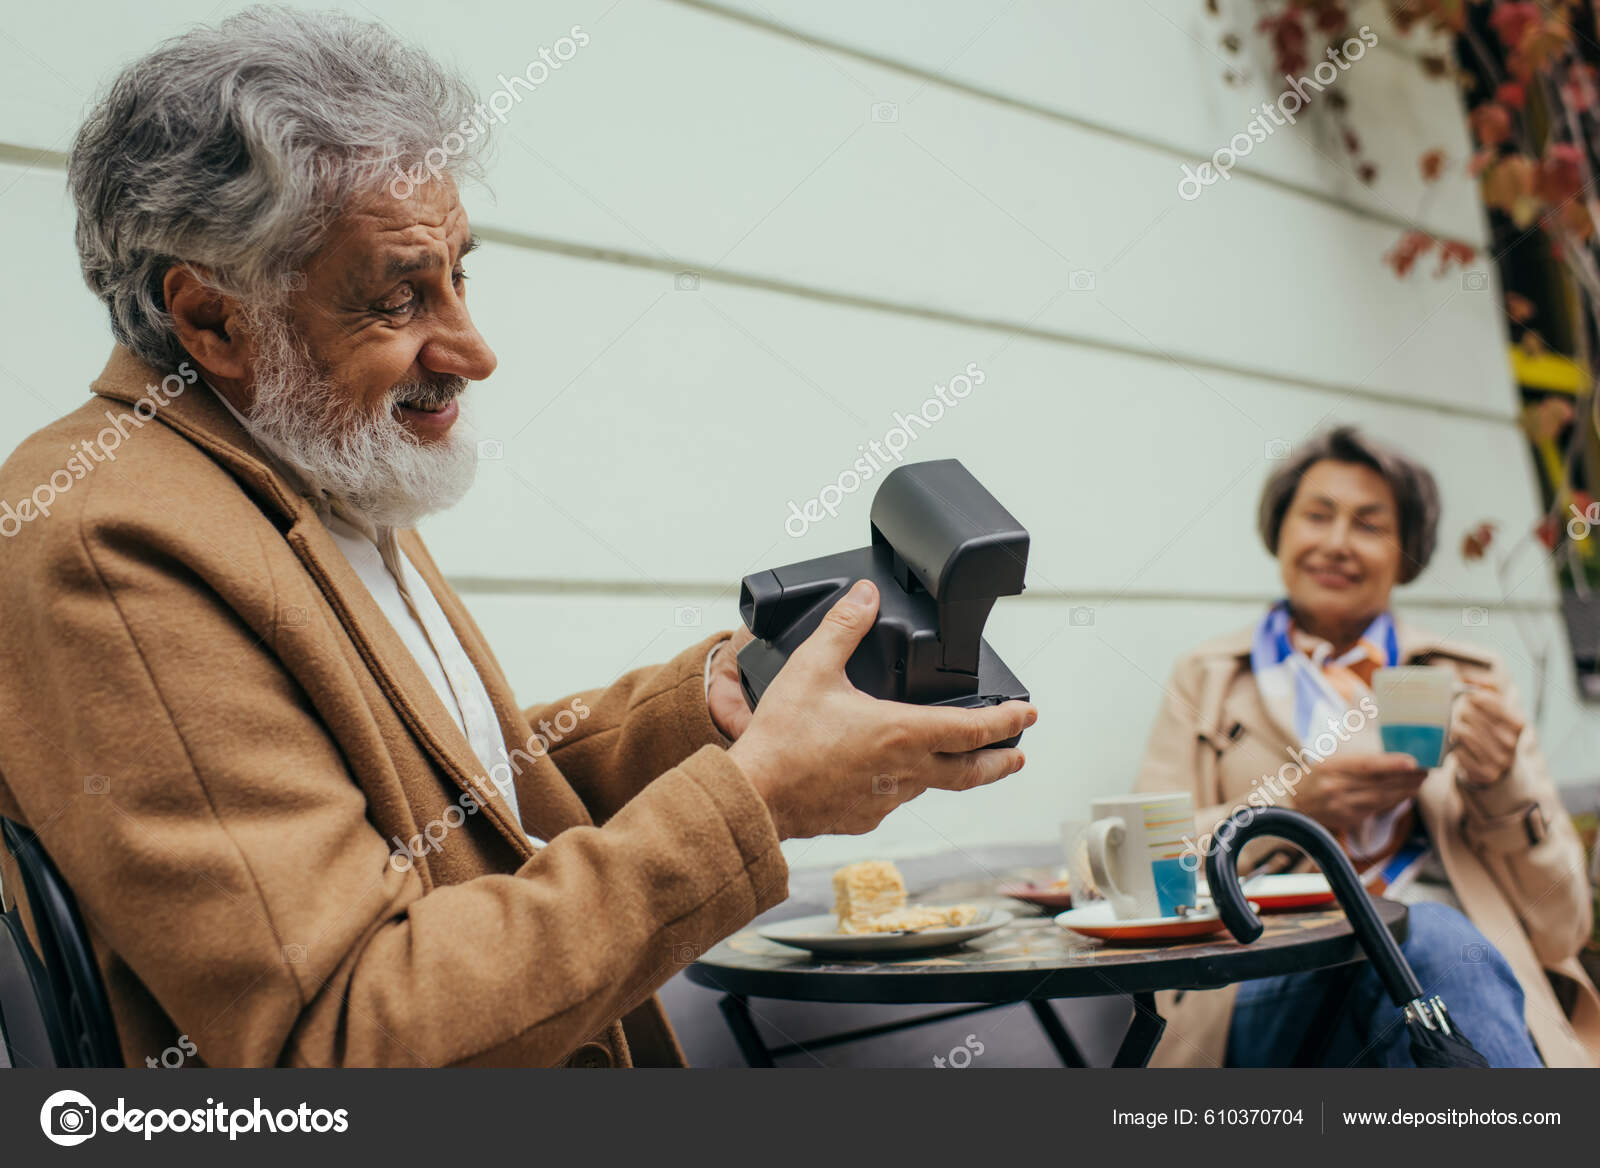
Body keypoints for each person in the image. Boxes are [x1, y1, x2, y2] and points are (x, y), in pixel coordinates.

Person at [0, 8, 1036, 1068]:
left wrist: (718, 709)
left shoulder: (303, 462)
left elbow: (460, 812)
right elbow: (342, 1034)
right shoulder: (107, 534)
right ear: (213, 322)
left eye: (460, 275)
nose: (472, 348)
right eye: (399, 298)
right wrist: (756, 797)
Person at [1133, 425, 1599, 1067]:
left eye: (1370, 524)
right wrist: (1295, 809)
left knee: (1424, 933)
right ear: (1281, 531)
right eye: (1317, 516)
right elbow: (1140, 872)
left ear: (1408, 553)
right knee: (1411, 933)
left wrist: (1498, 789)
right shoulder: (1210, 679)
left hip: (1453, 965)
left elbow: (1562, 928)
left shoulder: (1469, 679)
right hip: (1270, 976)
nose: (1336, 543)